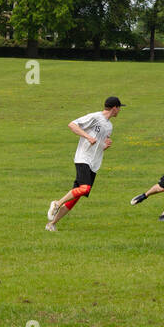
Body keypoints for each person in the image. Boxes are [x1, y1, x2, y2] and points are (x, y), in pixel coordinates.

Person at [45, 97, 123, 232]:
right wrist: (87, 136)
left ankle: (51, 224)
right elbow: (72, 125)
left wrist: (105, 146)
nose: (120, 110)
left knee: (76, 197)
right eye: (119, 107)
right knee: (85, 188)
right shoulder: (95, 117)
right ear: (114, 107)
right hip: (83, 158)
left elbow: (99, 145)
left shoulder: (109, 126)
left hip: (94, 163)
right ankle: (57, 203)